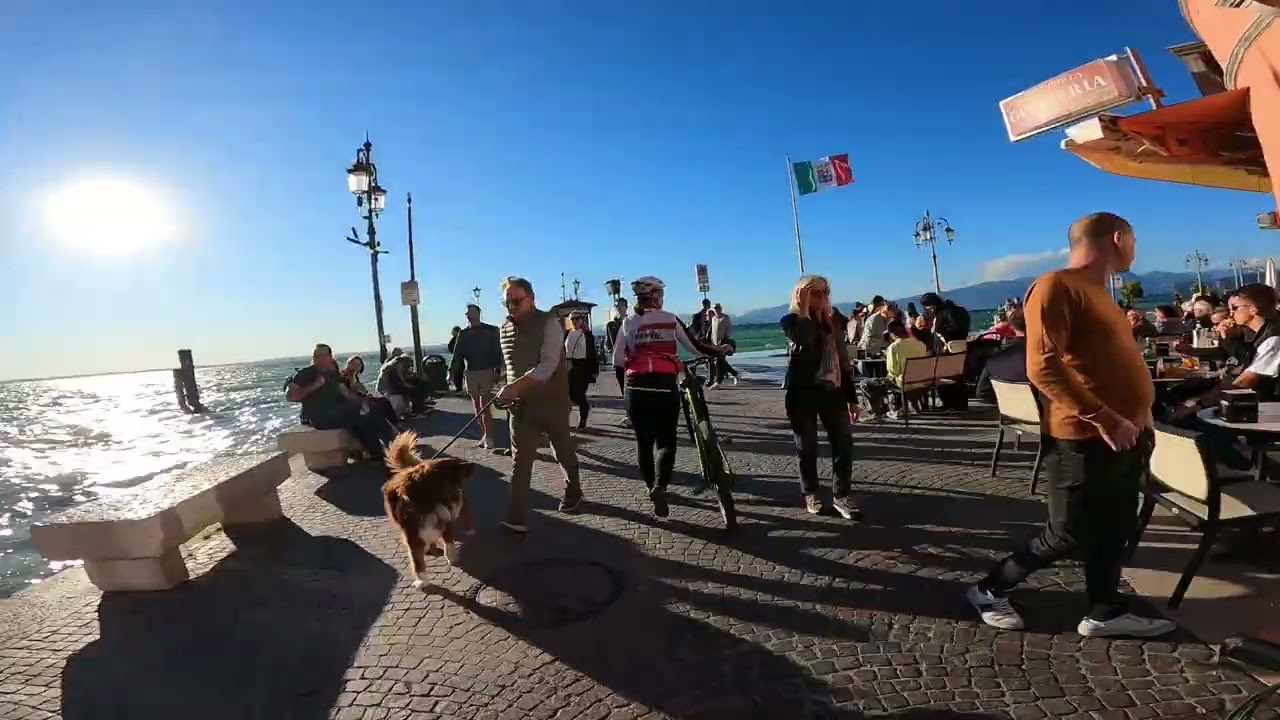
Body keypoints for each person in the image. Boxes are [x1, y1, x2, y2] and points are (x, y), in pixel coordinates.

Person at [967, 211, 1173, 638]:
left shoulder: (1099, 291)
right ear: (1119, 237)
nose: (1136, 249)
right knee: (1067, 532)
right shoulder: (1055, 286)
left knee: (1115, 527)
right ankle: (989, 589)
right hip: (1082, 438)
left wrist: (1138, 416)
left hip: (1125, 434)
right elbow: (1042, 366)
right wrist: (1105, 418)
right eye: (1134, 240)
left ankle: (1105, 611)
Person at [614, 277, 725, 516]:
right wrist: (723, 350)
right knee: (666, 441)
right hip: (664, 386)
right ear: (655, 297)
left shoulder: (628, 322)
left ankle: (651, 488)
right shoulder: (670, 319)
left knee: (644, 444)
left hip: (635, 388)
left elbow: (617, 361)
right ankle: (660, 486)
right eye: (661, 295)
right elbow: (697, 347)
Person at [493, 276, 584, 532]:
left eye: (516, 301)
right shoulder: (504, 328)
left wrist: (513, 387)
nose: (511, 306)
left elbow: (547, 366)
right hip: (521, 407)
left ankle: (573, 490)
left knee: (562, 450)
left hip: (552, 402)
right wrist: (502, 386)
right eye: (506, 302)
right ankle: (516, 518)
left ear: (531, 299)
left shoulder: (549, 323)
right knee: (520, 461)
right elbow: (510, 366)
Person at [780, 275, 861, 520]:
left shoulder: (833, 320)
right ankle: (811, 493)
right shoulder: (790, 321)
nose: (822, 297)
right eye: (815, 292)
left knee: (843, 444)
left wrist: (852, 397)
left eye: (826, 291)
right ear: (800, 295)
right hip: (802, 393)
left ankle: (842, 495)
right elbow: (803, 338)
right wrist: (804, 307)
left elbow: (841, 359)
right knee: (807, 448)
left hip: (832, 390)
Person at [286, 343, 397, 463]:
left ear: (330, 357)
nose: (318, 359)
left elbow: (345, 393)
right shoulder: (306, 373)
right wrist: (314, 386)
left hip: (339, 411)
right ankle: (387, 451)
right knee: (363, 417)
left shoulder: (332, 372)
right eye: (316, 355)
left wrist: (362, 401)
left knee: (370, 412)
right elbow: (290, 396)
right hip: (321, 417)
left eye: (323, 355)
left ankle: (385, 451)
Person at [449, 304, 504, 449]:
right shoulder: (463, 334)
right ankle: (485, 435)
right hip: (471, 372)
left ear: (479, 313)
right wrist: (452, 373)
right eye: (467, 313)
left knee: (484, 406)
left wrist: (498, 370)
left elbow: (499, 352)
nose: (469, 316)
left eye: (472, 313)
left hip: (487, 371)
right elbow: (457, 355)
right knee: (477, 406)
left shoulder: (491, 331)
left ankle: (490, 438)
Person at [858, 320, 930, 420]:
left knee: (865, 384)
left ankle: (875, 414)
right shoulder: (921, 344)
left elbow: (893, 371)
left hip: (903, 383)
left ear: (892, 334)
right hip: (921, 383)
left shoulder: (893, 347)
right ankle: (907, 407)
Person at [975, 310, 1029, 401]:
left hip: (1009, 410)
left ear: (1011, 327)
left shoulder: (993, 360)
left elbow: (981, 393)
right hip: (1043, 410)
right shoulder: (1039, 355)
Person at [564, 313, 598, 430]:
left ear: (582, 320)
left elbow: (593, 353)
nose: (574, 321)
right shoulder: (567, 333)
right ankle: (564, 421)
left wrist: (595, 370)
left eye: (577, 318)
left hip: (583, 366)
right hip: (569, 365)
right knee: (568, 393)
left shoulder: (587, 335)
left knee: (579, 394)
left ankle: (583, 416)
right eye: (572, 318)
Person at [605, 297, 632, 428]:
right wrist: (611, 349)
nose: (619, 308)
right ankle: (629, 414)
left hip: (633, 360)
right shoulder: (611, 325)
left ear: (626, 307)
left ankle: (634, 414)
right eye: (617, 306)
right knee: (624, 388)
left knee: (633, 388)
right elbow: (607, 342)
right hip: (619, 361)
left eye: (621, 305)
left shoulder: (632, 322)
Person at [708, 303, 739, 388]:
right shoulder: (713, 318)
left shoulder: (725, 318)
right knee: (721, 362)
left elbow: (729, 330)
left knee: (719, 361)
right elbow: (713, 331)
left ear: (721, 308)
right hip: (715, 343)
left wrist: (727, 342)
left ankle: (718, 382)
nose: (717, 309)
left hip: (723, 342)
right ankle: (735, 374)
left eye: (718, 308)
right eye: (715, 308)